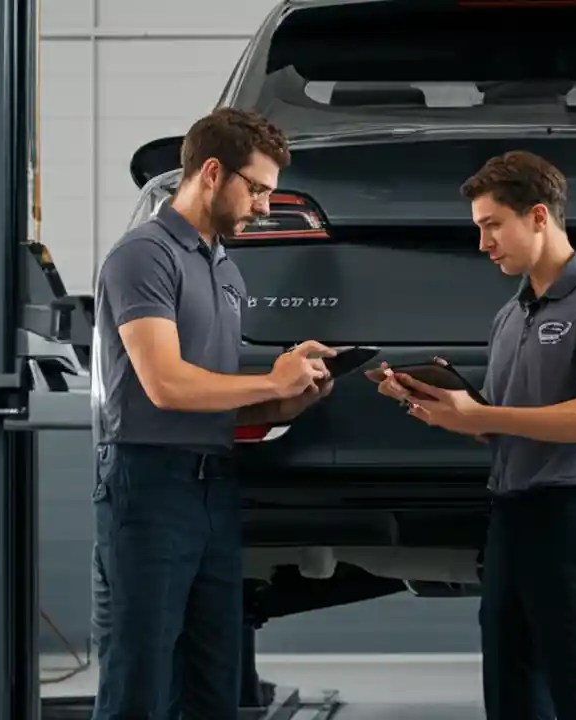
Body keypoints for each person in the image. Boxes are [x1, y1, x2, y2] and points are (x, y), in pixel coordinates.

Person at [371, 150, 576, 720]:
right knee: (511, 693)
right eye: (479, 228)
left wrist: (483, 417)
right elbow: (499, 426)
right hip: (509, 520)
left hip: (574, 521)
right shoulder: (509, 317)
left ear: (539, 216)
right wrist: (440, 407)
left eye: (492, 225)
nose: (483, 243)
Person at [89, 107, 335, 719]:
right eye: (256, 189)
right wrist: (266, 380)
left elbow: (223, 390)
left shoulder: (224, 268)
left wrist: (289, 397)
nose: (263, 206)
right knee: (140, 680)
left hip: (215, 485)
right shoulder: (143, 256)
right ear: (211, 172)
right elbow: (167, 385)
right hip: (149, 487)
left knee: (215, 683)